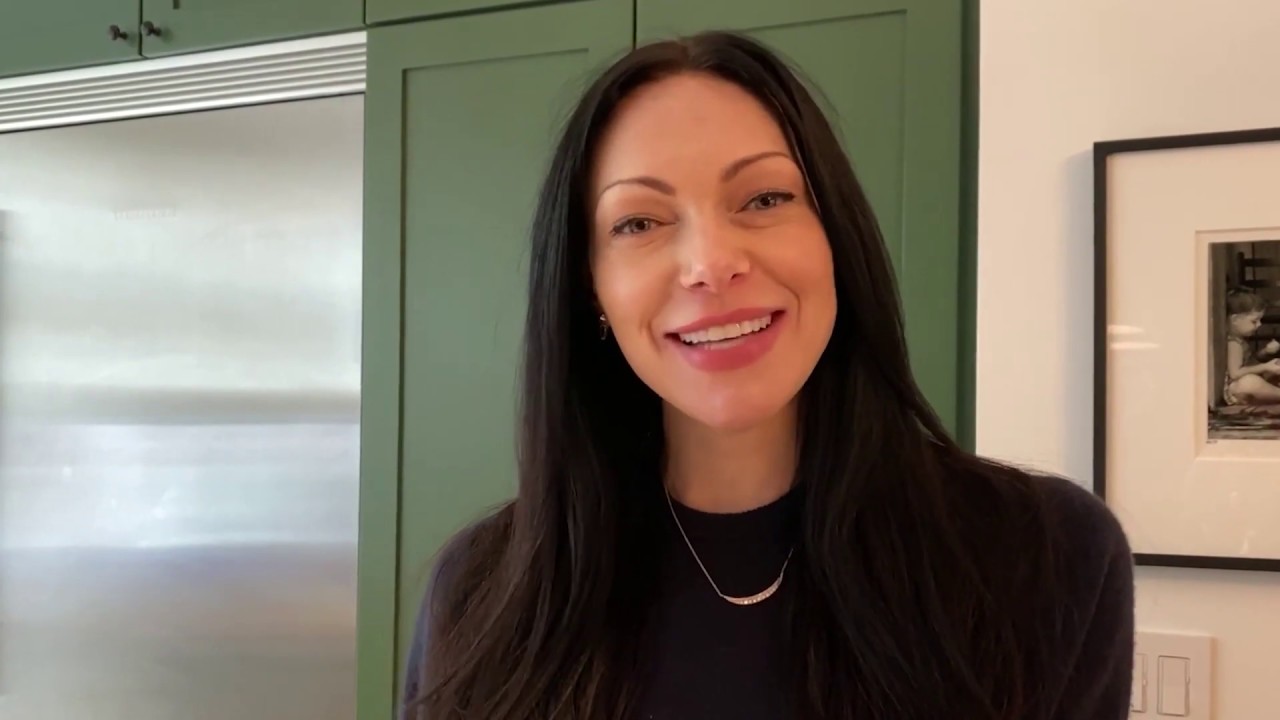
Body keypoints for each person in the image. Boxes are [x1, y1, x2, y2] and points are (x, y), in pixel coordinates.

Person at [399, 31, 1135, 720]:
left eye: (764, 199)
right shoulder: (482, 591)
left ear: (836, 237)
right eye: (639, 222)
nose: (710, 264)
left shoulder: (1047, 558)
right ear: (591, 287)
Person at [1222, 286, 1280, 406]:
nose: (1259, 325)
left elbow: (1249, 362)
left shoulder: (1241, 340)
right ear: (1235, 320)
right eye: (1254, 321)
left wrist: (1265, 352)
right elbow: (1235, 373)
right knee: (1250, 382)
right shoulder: (1234, 343)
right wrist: (1265, 367)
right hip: (1237, 389)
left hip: (1248, 385)